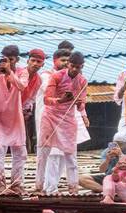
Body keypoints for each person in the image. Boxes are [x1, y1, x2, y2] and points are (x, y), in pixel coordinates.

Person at [0, 46, 41, 194]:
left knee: (20, 151)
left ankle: (17, 184)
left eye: (10, 59)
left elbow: (21, 86)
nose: (7, 62)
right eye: (5, 59)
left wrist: (9, 72)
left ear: (17, 60)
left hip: (15, 117)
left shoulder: (22, 72)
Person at [40, 52, 89, 195]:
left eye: (78, 67)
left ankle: (73, 189)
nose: (74, 70)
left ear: (82, 67)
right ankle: (46, 188)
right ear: (68, 64)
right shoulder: (56, 76)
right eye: (72, 66)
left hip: (68, 120)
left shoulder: (83, 81)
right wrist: (61, 100)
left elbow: (81, 105)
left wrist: (80, 106)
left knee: (71, 155)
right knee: (50, 154)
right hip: (52, 117)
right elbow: (47, 100)